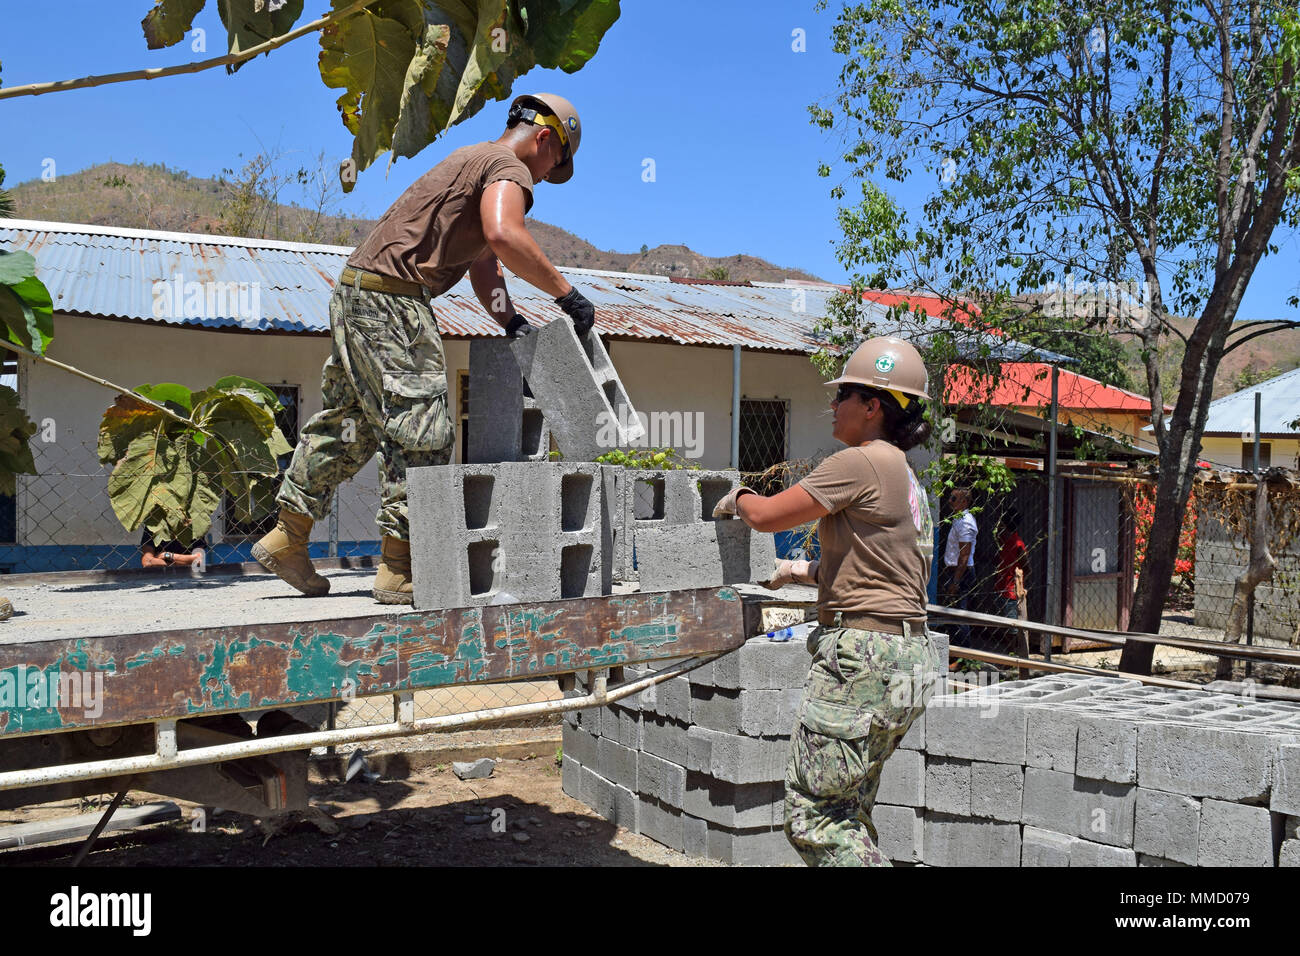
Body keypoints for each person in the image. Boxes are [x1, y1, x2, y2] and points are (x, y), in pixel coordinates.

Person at [253, 93, 596, 604]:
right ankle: (398, 568)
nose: (547, 176)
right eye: (556, 164)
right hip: (394, 300)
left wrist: (512, 321)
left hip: (357, 293)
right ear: (546, 138)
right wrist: (566, 294)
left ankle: (288, 537)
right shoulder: (507, 166)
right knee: (425, 434)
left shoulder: (473, 159)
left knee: (351, 424)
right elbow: (505, 234)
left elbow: (484, 262)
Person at [713, 336, 941, 866]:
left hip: (863, 658)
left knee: (813, 814)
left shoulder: (861, 462)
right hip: (907, 658)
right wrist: (799, 570)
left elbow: (769, 516)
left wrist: (739, 496)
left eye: (842, 396)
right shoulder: (906, 477)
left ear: (872, 406)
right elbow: (882, 570)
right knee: (848, 811)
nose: (832, 407)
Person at [993, 507, 1030, 676]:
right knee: (1004, 624)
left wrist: (1020, 583)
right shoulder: (1005, 540)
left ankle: (1012, 657)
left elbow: (1027, 567)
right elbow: (997, 532)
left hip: (1010, 590)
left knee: (1011, 627)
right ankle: (1010, 656)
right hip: (1001, 587)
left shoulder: (1018, 544)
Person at [942, 486, 978, 644]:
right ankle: (957, 654)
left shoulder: (965, 522)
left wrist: (956, 581)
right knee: (953, 614)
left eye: (954, 499)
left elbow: (964, 555)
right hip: (955, 571)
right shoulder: (958, 519)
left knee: (959, 614)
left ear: (964, 502)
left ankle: (964, 657)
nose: (949, 501)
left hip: (961, 573)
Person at [140, 528, 207, 570]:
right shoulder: (154, 526)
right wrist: (186, 562)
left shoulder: (194, 526)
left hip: (187, 576)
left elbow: (198, 560)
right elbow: (147, 562)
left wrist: (167, 555)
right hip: (161, 576)